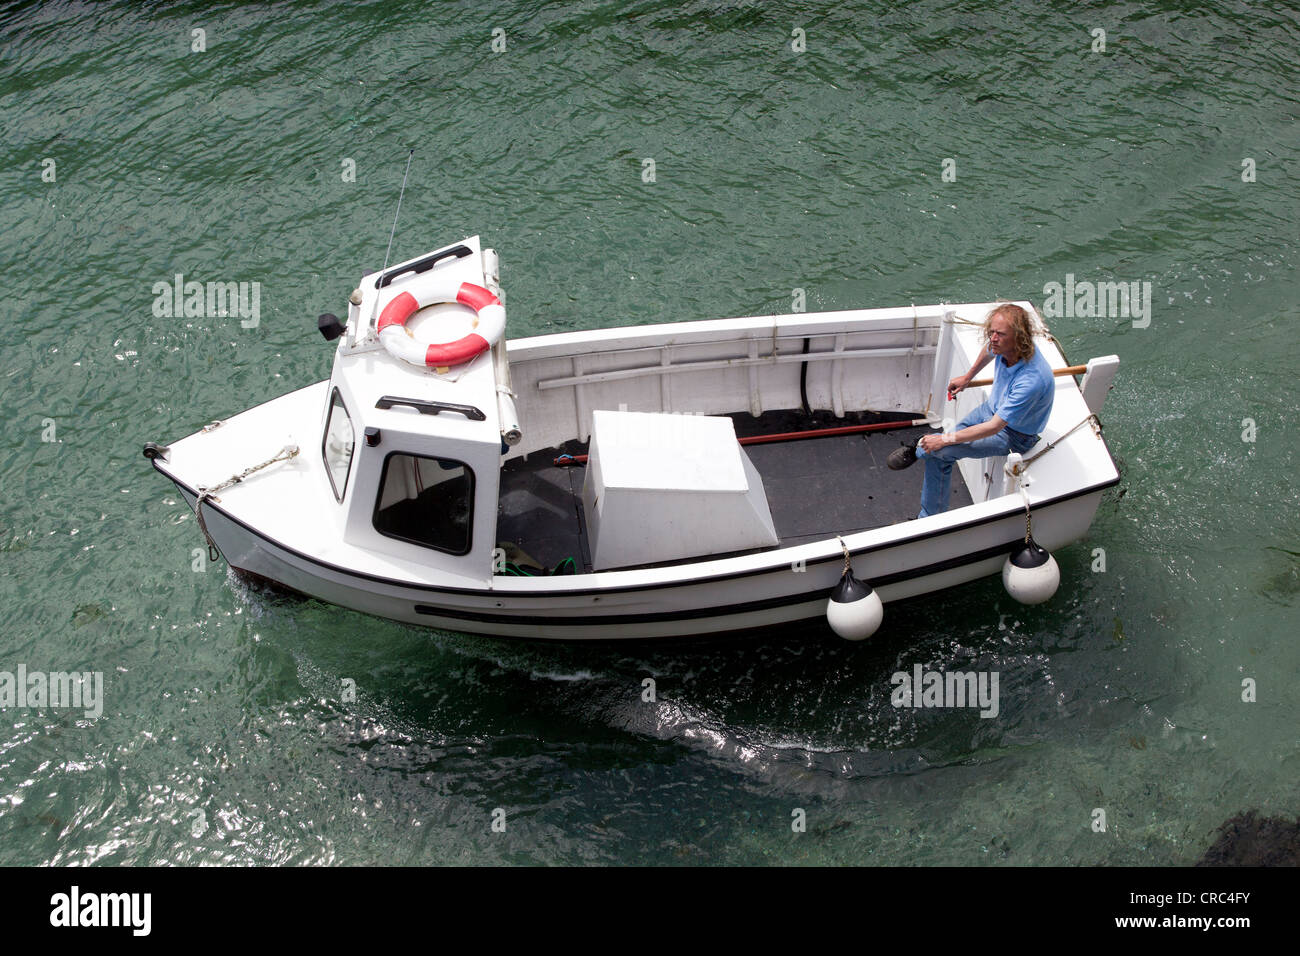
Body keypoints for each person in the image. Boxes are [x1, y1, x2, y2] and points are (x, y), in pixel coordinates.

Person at [887, 303, 1055, 518]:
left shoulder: (1032, 380)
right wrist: (968, 377)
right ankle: (922, 445)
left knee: (939, 451)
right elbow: (988, 350)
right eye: (992, 331)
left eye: (1000, 334)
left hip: (1013, 435)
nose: (993, 338)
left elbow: (994, 427)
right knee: (940, 445)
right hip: (991, 409)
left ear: (1019, 338)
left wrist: (944, 440)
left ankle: (929, 518)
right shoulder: (1001, 345)